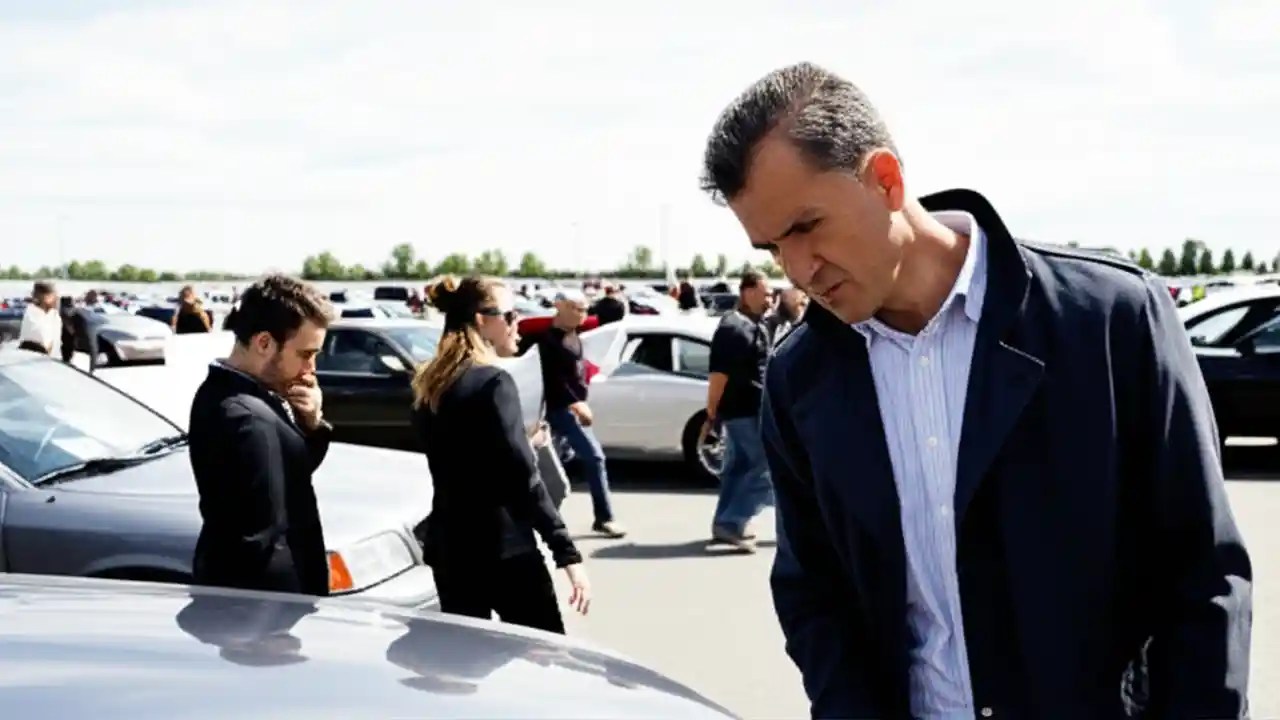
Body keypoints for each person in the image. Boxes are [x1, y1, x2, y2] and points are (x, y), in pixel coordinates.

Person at [699, 62, 1251, 718]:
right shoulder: (799, 377)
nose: (797, 269)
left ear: (885, 179)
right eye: (771, 249)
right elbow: (812, 594)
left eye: (805, 227)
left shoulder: (1107, 320)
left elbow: (1203, 578)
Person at [412, 275, 590, 634]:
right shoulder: (494, 382)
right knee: (539, 659)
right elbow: (523, 478)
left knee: (465, 668)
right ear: (482, 321)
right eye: (510, 316)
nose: (517, 325)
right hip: (502, 549)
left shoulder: (429, 383)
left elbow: (464, 456)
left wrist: (520, 440)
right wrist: (566, 553)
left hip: (450, 549)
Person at [187, 274, 336, 596]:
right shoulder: (247, 417)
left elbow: (287, 476)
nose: (311, 369)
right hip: (266, 615)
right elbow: (256, 544)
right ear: (264, 343)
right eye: (305, 354)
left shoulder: (231, 393)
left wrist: (311, 423)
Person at [538, 289, 626, 538]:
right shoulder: (548, 342)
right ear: (560, 306)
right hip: (560, 409)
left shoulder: (575, 336)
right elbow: (553, 381)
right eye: (575, 308)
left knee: (553, 466)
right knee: (594, 457)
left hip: (573, 407)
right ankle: (605, 517)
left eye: (584, 309)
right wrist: (575, 403)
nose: (581, 314)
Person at [704, 270, 774, 551]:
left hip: (748, 409)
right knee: (765, 469)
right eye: (766, 293)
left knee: (737, 469)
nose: (770, 299)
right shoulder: (734, 328)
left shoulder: (751, 324)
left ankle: (725, 522)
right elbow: (718, 374)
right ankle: (733, 521)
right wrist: (711, 412)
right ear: (747, 292)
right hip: (743, 410)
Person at [17, 281, 61, 356]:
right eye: (55, 296)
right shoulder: (32, 316)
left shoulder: (52, 314)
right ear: (45, 297)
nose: (57, 299)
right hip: (37, 362)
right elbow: (44, 346)